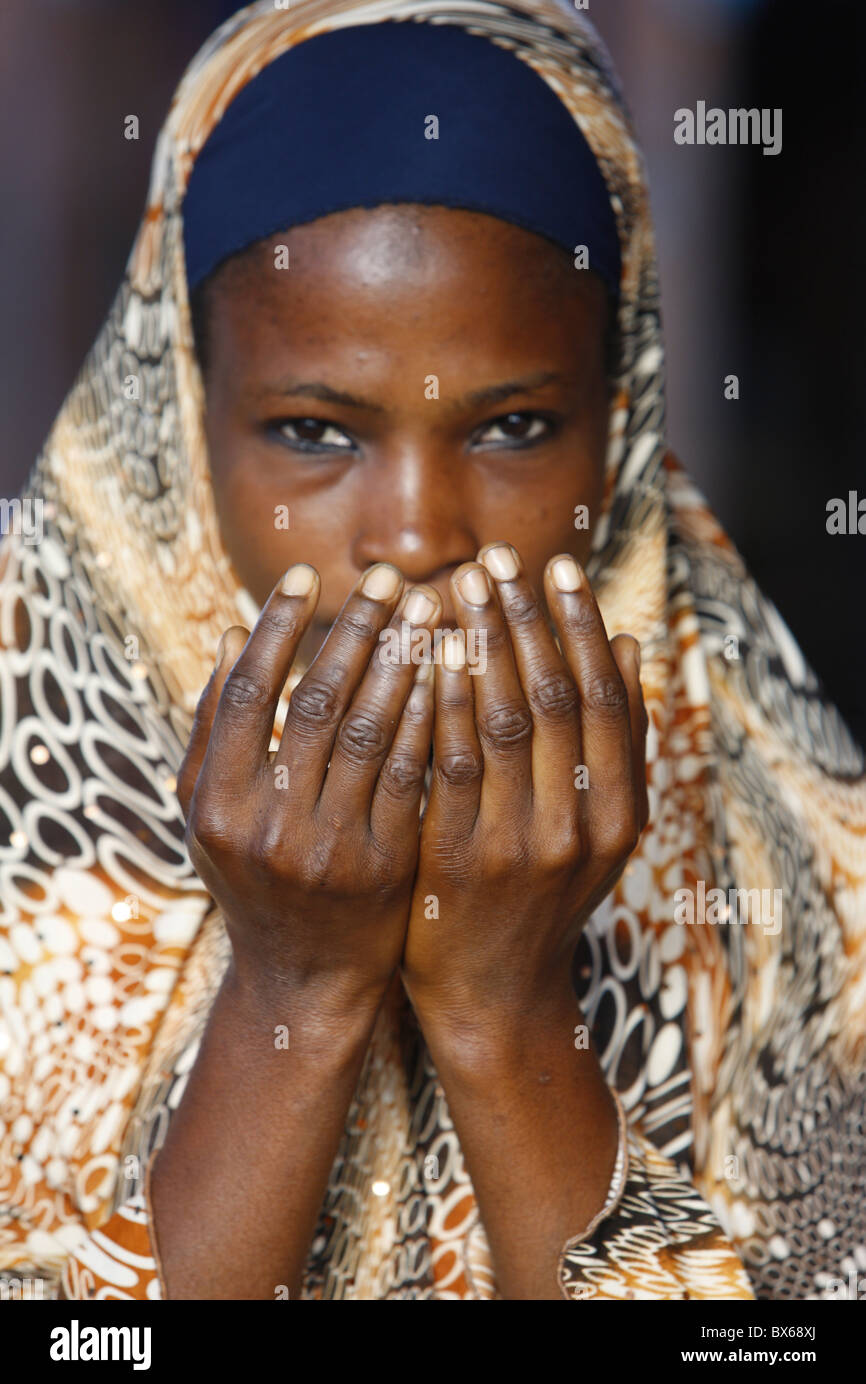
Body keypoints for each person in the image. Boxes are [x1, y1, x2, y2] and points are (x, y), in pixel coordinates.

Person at [1, 0, 863, 1302]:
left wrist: (500, 1012)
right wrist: (293, 994)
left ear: (614, 435)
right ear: (186, 420)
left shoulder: (793, 879)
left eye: (512, 428)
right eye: (314, 430)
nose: (414, 535)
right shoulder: (36, 831)